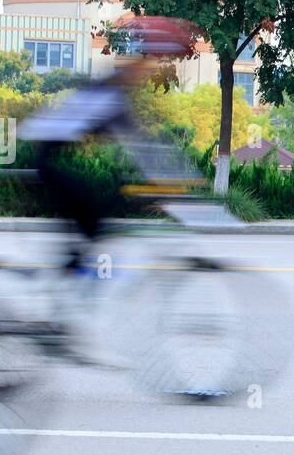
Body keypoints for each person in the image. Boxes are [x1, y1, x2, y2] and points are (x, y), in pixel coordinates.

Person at [16, 15, 204, 270]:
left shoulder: (110, 92)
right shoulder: (110, 97)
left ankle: (69, 277)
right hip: (46, 163)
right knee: (94, 222)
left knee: (93, 227)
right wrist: (176, 182)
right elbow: (143, 148)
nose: (149, 71)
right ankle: (64, 286)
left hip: (47, 159)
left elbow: (141, 145)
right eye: (148, 65)